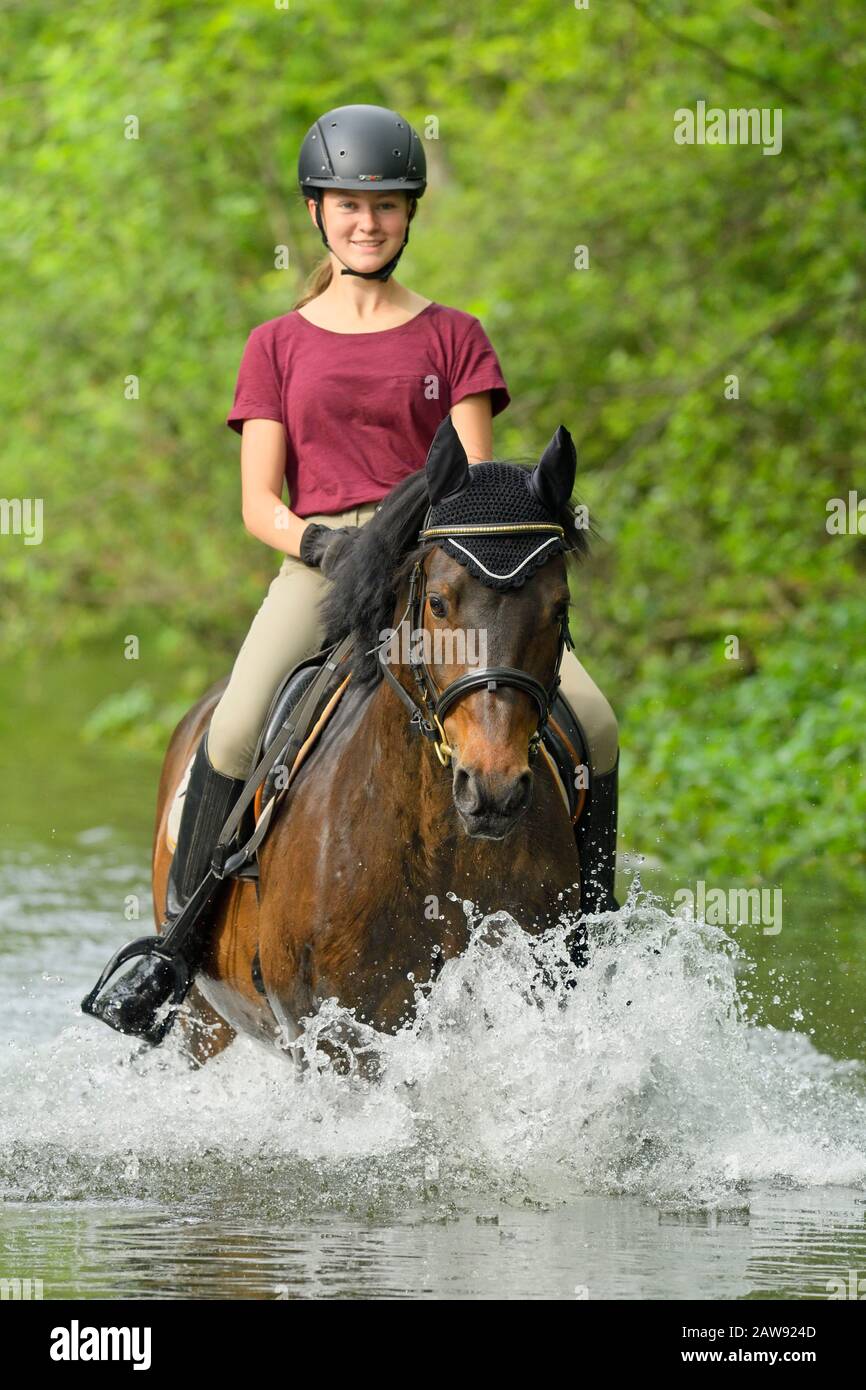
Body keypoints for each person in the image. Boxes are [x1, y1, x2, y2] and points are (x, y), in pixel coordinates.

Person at [85, 103, 619, 1043]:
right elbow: (259, 502)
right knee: (238, 725)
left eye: (384, 205)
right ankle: (175, 949)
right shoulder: (277, 344)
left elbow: (472, 491)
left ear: (409, 213)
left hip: (439, 575)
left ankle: (594, 941)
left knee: (599, 724)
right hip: (324, 563)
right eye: (347, 205)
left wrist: (431, 556)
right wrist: (323, 545)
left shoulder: (455, 335)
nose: (366, 222)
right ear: (318, 212)